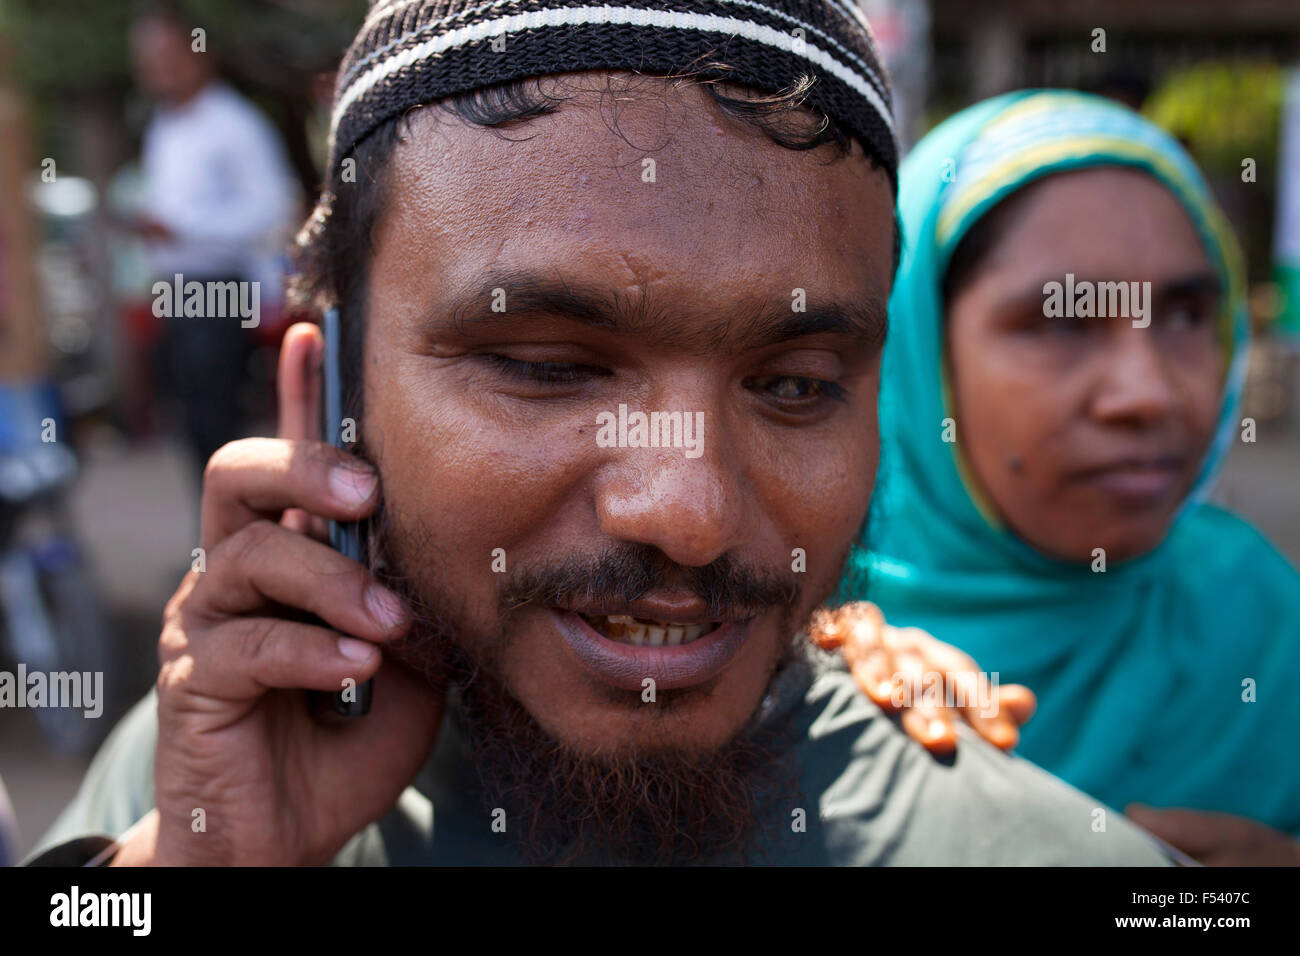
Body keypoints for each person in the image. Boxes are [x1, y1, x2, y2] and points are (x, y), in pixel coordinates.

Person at [29, 2, 1171, 867]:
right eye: (546, 367)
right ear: (329, 389)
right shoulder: (194, 758)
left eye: (795, 384)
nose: (689, 509)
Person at [827, 90, 1300, 865]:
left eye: (1184, 315)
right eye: (1061, 321)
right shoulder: (774, 624)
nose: (1146, 394)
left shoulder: (1265, 623)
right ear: (918, 348)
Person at [128, 5, 298, 482]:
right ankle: (208, 541)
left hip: (219, 287)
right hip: (176, 288)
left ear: (198, 52)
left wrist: (185, 229)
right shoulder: (163, 124)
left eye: (164, 53)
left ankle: (240, 539)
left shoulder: (234, 123)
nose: (155, 67)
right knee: (188, 419)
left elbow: (273, 210)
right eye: (146, 57)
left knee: (218, 417)